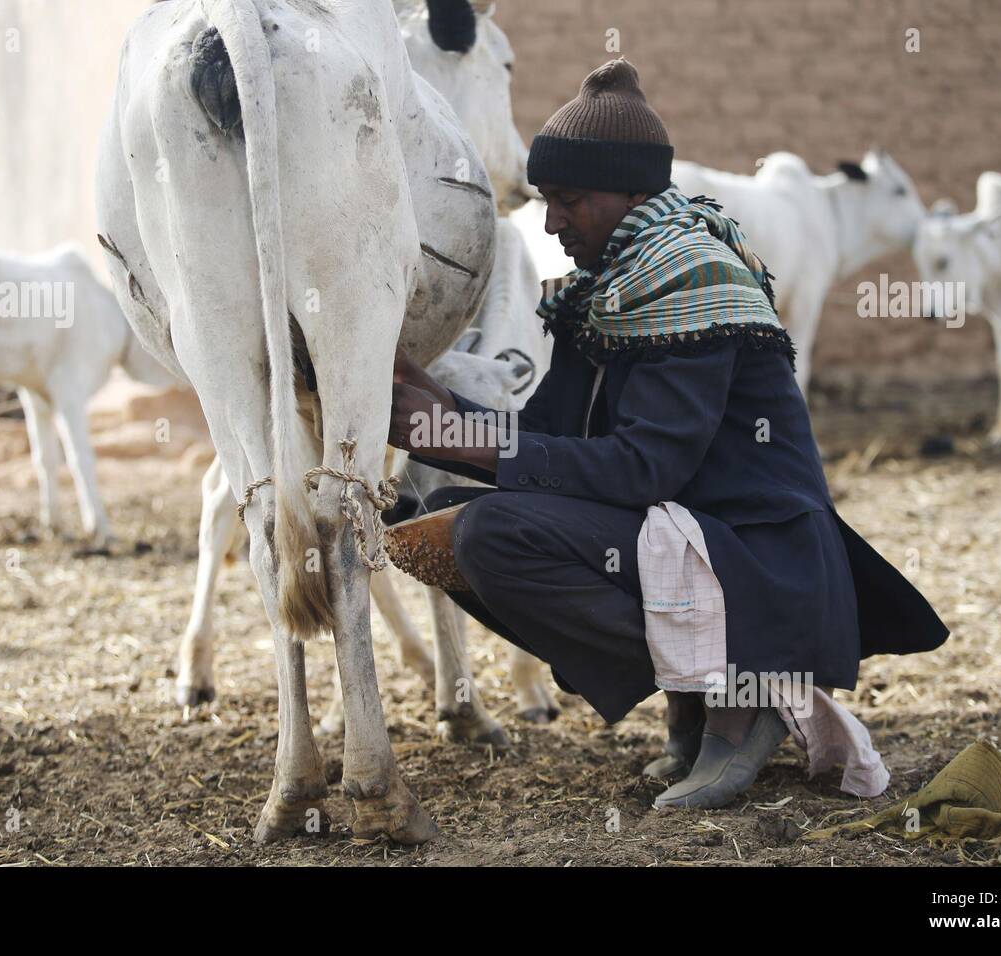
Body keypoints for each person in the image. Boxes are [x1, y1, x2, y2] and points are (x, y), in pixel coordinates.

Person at [388, 58, 948, 809]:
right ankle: (690, 702)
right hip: (688, 536)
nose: (551, 222)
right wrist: (432, 410)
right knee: (449, 524)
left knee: (493, 535)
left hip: (758, 556)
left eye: (570, 200)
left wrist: (461, 434)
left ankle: (740, 697)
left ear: (633, 194)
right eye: (548, 201)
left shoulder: (692, 277)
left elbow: (644, 468)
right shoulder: (611, 288)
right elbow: (551, 437)